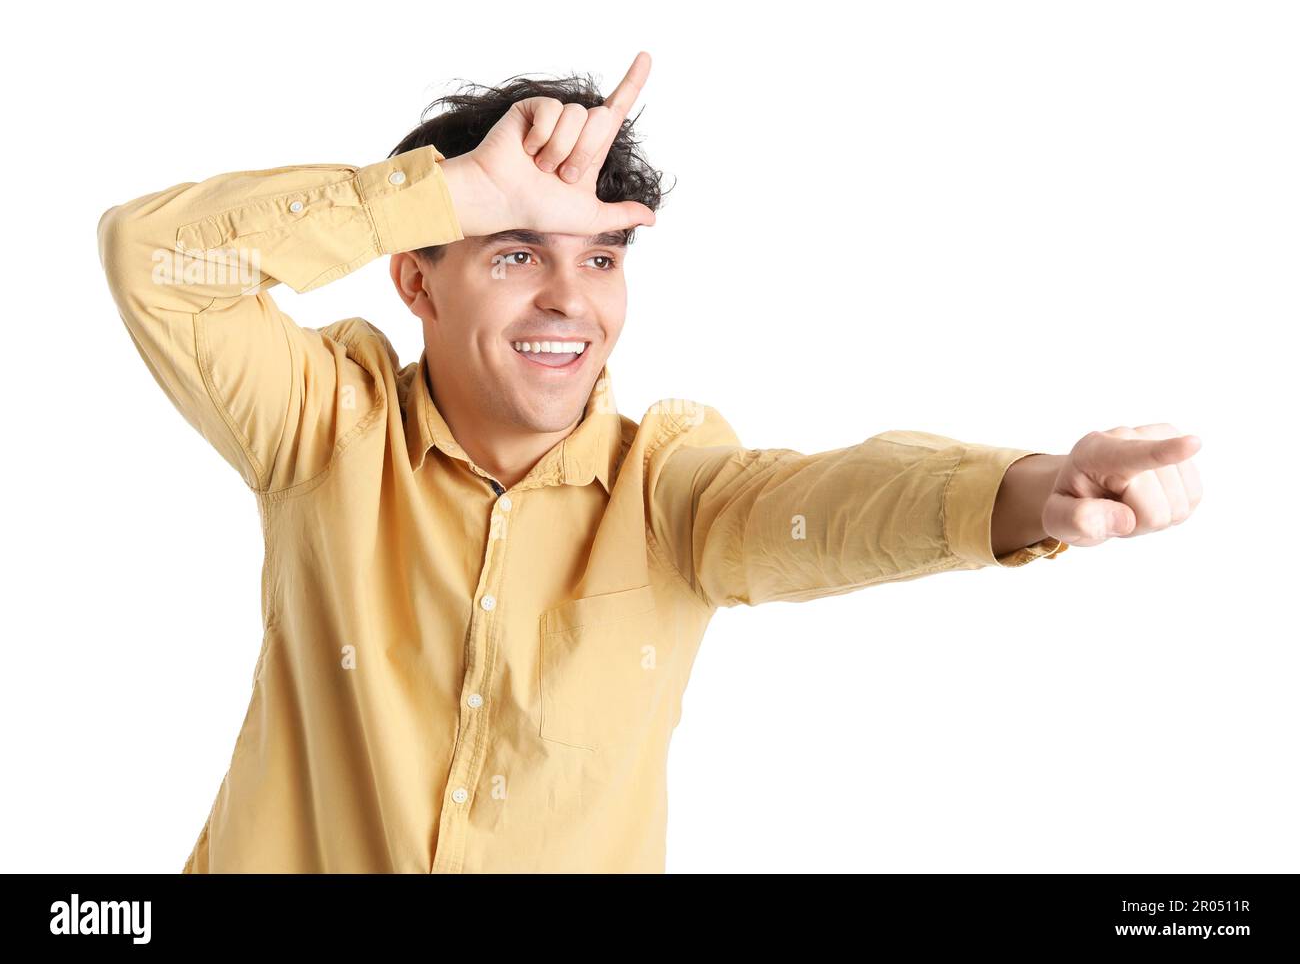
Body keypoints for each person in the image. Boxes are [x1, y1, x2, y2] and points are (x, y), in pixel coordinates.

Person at [96, 51, 1203, 873]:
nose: (570, 299)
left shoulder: (667, 491)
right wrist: (449, 194)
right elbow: (152, 259)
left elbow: (822, 497)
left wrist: (1029, 489)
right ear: (417, 282)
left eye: (603, 255)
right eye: (516, 248)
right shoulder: (325, 428)